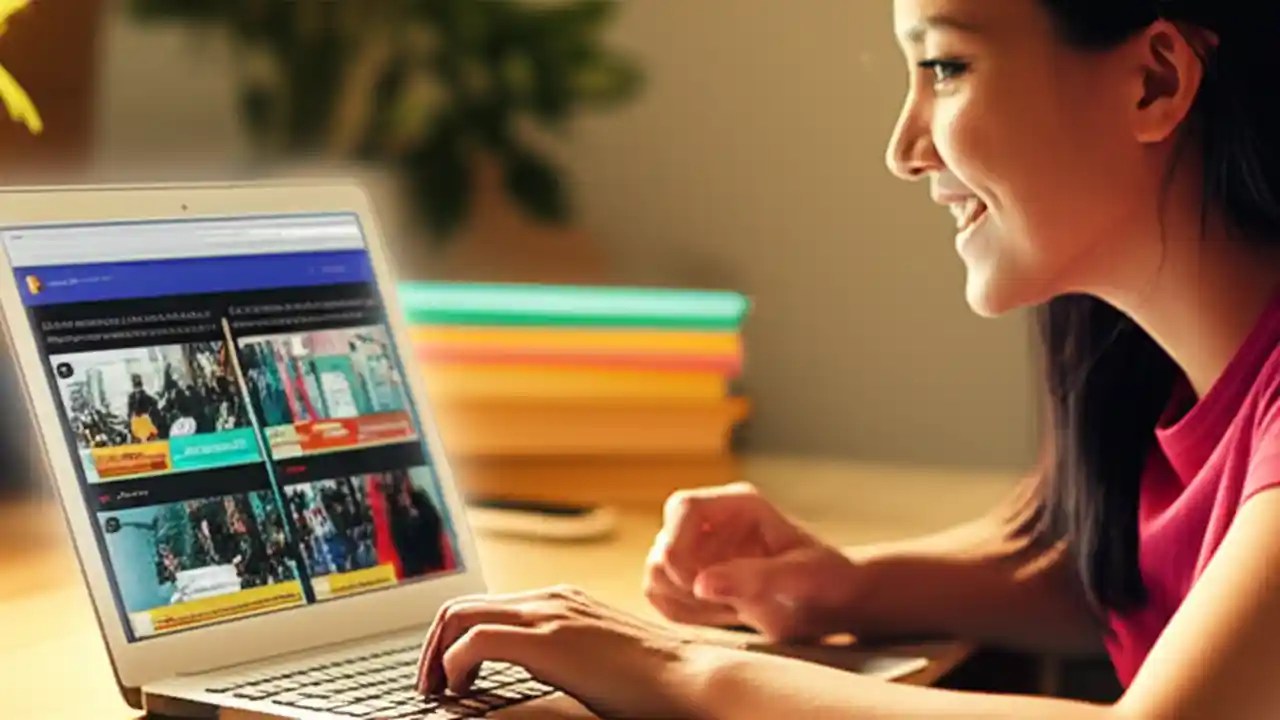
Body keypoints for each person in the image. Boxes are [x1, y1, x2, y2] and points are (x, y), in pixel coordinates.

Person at [414, 1, 1280, 717]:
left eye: (946, 67)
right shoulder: (1156, 368)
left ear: (1154, 80)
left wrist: (674, 667)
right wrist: (838, 586)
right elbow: (1132, 582)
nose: (904, 148)